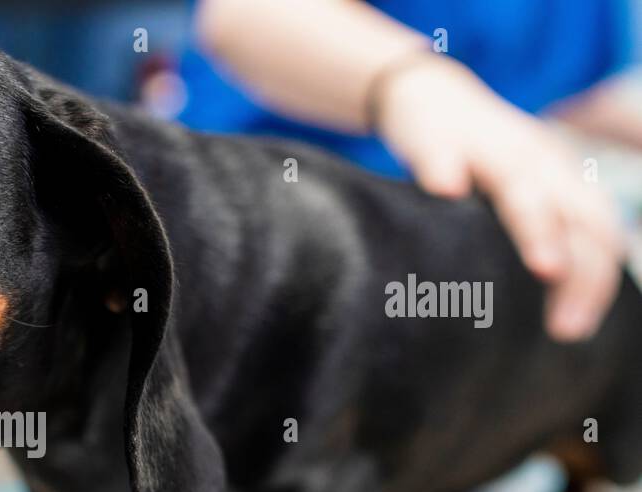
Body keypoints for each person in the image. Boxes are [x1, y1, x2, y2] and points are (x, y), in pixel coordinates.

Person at [180, 0, 642, 341]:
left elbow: (550, 82)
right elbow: (244, 13)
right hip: (249, 248)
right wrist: (412, 84)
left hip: (412, 283)